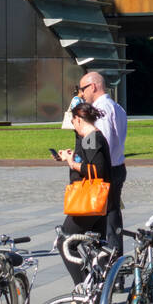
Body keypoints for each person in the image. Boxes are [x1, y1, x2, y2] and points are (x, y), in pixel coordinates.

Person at [55, 102, 112, 285]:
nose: (73, 124)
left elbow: (97, 169)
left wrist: (72, 163)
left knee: (65, 243)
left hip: (88, 201)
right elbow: (89, 162)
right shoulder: (90, 138)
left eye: (73, 121)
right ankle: (96, 289)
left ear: (79, 120)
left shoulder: (92, 138)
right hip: (96, 200)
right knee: (96, 248)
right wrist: (71, 157)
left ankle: (84, 288)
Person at [79, 72, 128, 262]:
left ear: (93, 86)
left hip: (106, 170)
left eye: (82, 89)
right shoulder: (116, 107)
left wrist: (80, 162)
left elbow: (102, 143)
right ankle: (115, 266)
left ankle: (112, 266)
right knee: (111, 217)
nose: (81, 94)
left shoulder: (102, 110)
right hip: (116, 166)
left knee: (107, 220)